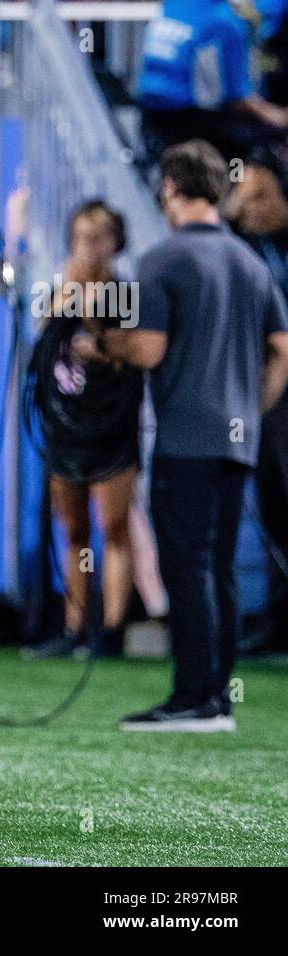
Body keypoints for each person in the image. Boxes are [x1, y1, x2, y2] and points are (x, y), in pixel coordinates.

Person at [104, 140, 288, 731]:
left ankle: (193, 698)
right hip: (238, 441)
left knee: (187, 565)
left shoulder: (163, 259)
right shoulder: (252, 261)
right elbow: (281, 350)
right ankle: (218, 697)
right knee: (222, 569)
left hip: (186, 439)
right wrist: (251, 412)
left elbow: (150, 347)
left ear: (168, 189)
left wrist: (106, 342)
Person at [26, 201, 144, 660]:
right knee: (72, 526)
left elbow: (127, 351)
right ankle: (76, 625)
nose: (89, 248)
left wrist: (95, 329)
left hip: (112, 424)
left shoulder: (126, 295)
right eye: (80, 238)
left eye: (98, 238)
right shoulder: (62, 289)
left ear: (115, 242)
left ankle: (112, 629)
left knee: (113, 524)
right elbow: (42, 331)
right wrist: (70, 290)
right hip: (66, 424)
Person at [230, 148, 288, 651]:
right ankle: (277, 613)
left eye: (261, 197)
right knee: (274, 500)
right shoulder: (243, 247)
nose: (251, 208)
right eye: (243, 199)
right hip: (272, 397)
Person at [137, 0, 288, 161]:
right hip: (192, 122)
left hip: (151, 115)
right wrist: (280, 117)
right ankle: (236, 180)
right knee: (261, 138)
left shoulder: (172, 5)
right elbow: (239, 101)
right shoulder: (224, 22)